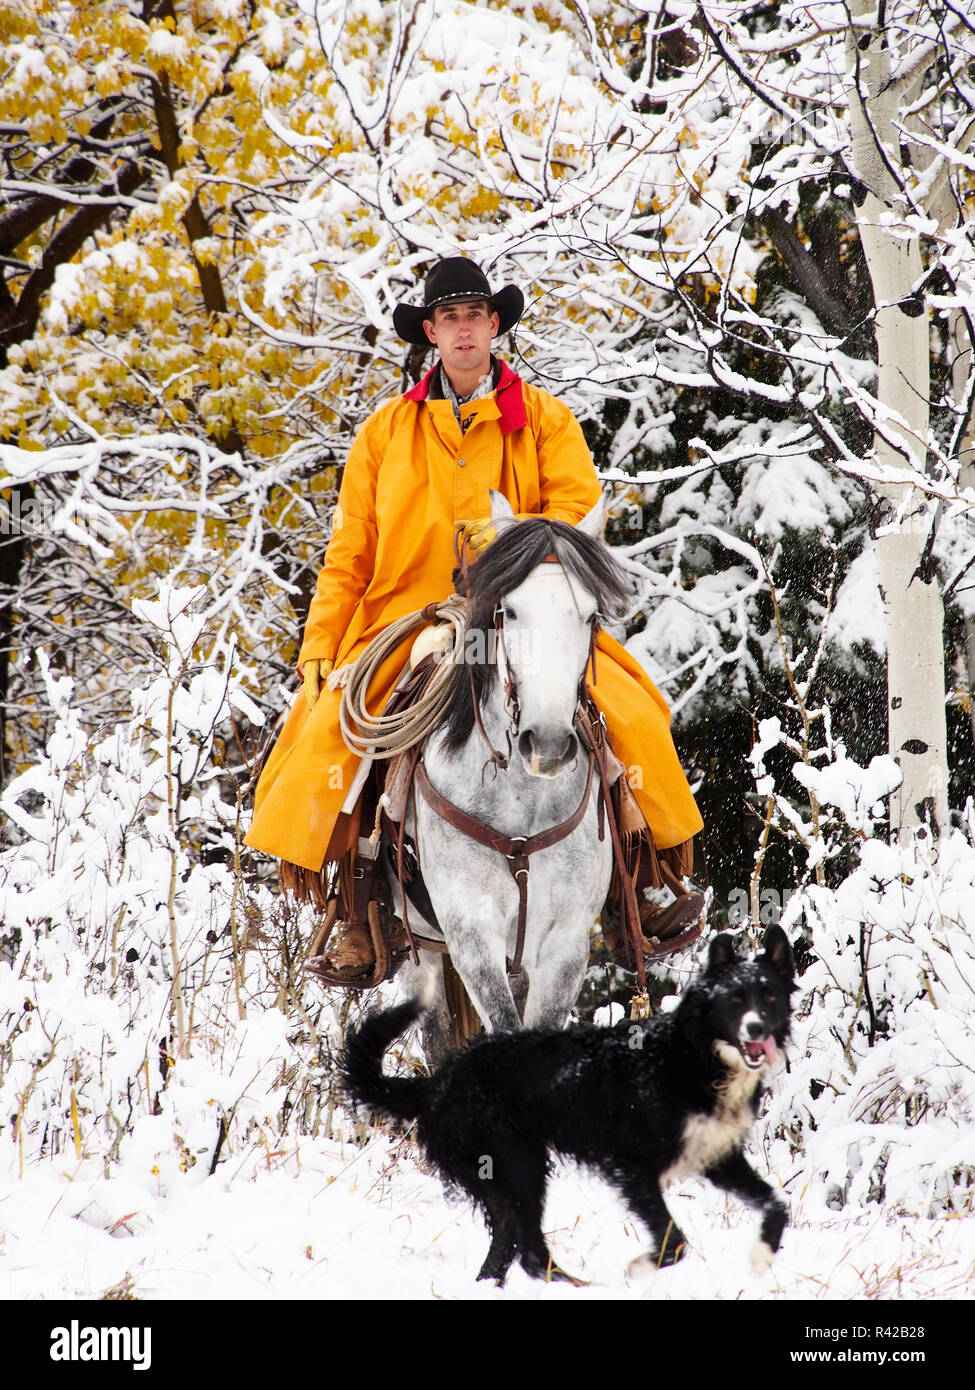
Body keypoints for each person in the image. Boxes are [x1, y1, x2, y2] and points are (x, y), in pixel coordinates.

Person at [244, 257, 704, 979]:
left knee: (629, 712)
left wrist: (509, 564)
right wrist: (321, 643)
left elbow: (573, 522)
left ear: (494, 327)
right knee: (337, 730)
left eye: (474, 316)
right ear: (430, 333)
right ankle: (361, 910)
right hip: (406, 616)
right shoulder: (383, 433)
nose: (463, 329)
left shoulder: (546, 420)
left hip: (526, 611)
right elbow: (349, 552)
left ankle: (634, 890)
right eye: (448, 318)